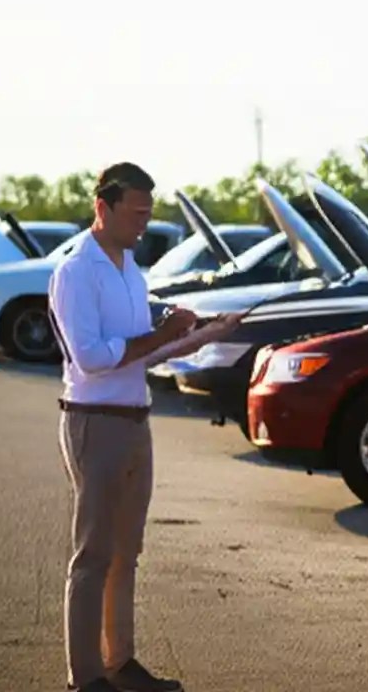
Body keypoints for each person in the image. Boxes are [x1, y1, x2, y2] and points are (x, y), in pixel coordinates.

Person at [48, 162, 240, 692]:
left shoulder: (132, 269)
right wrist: (164, 334)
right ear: (102, 208)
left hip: (135, 420)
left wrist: (200, 335)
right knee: (92, 554)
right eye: (135, 213)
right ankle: (85, 677)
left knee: (126, 553)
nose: (143, 224)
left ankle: (120, 663)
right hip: (95, 423)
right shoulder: (74, 272)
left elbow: (144, 353)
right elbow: (91, 357)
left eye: (148, 214)